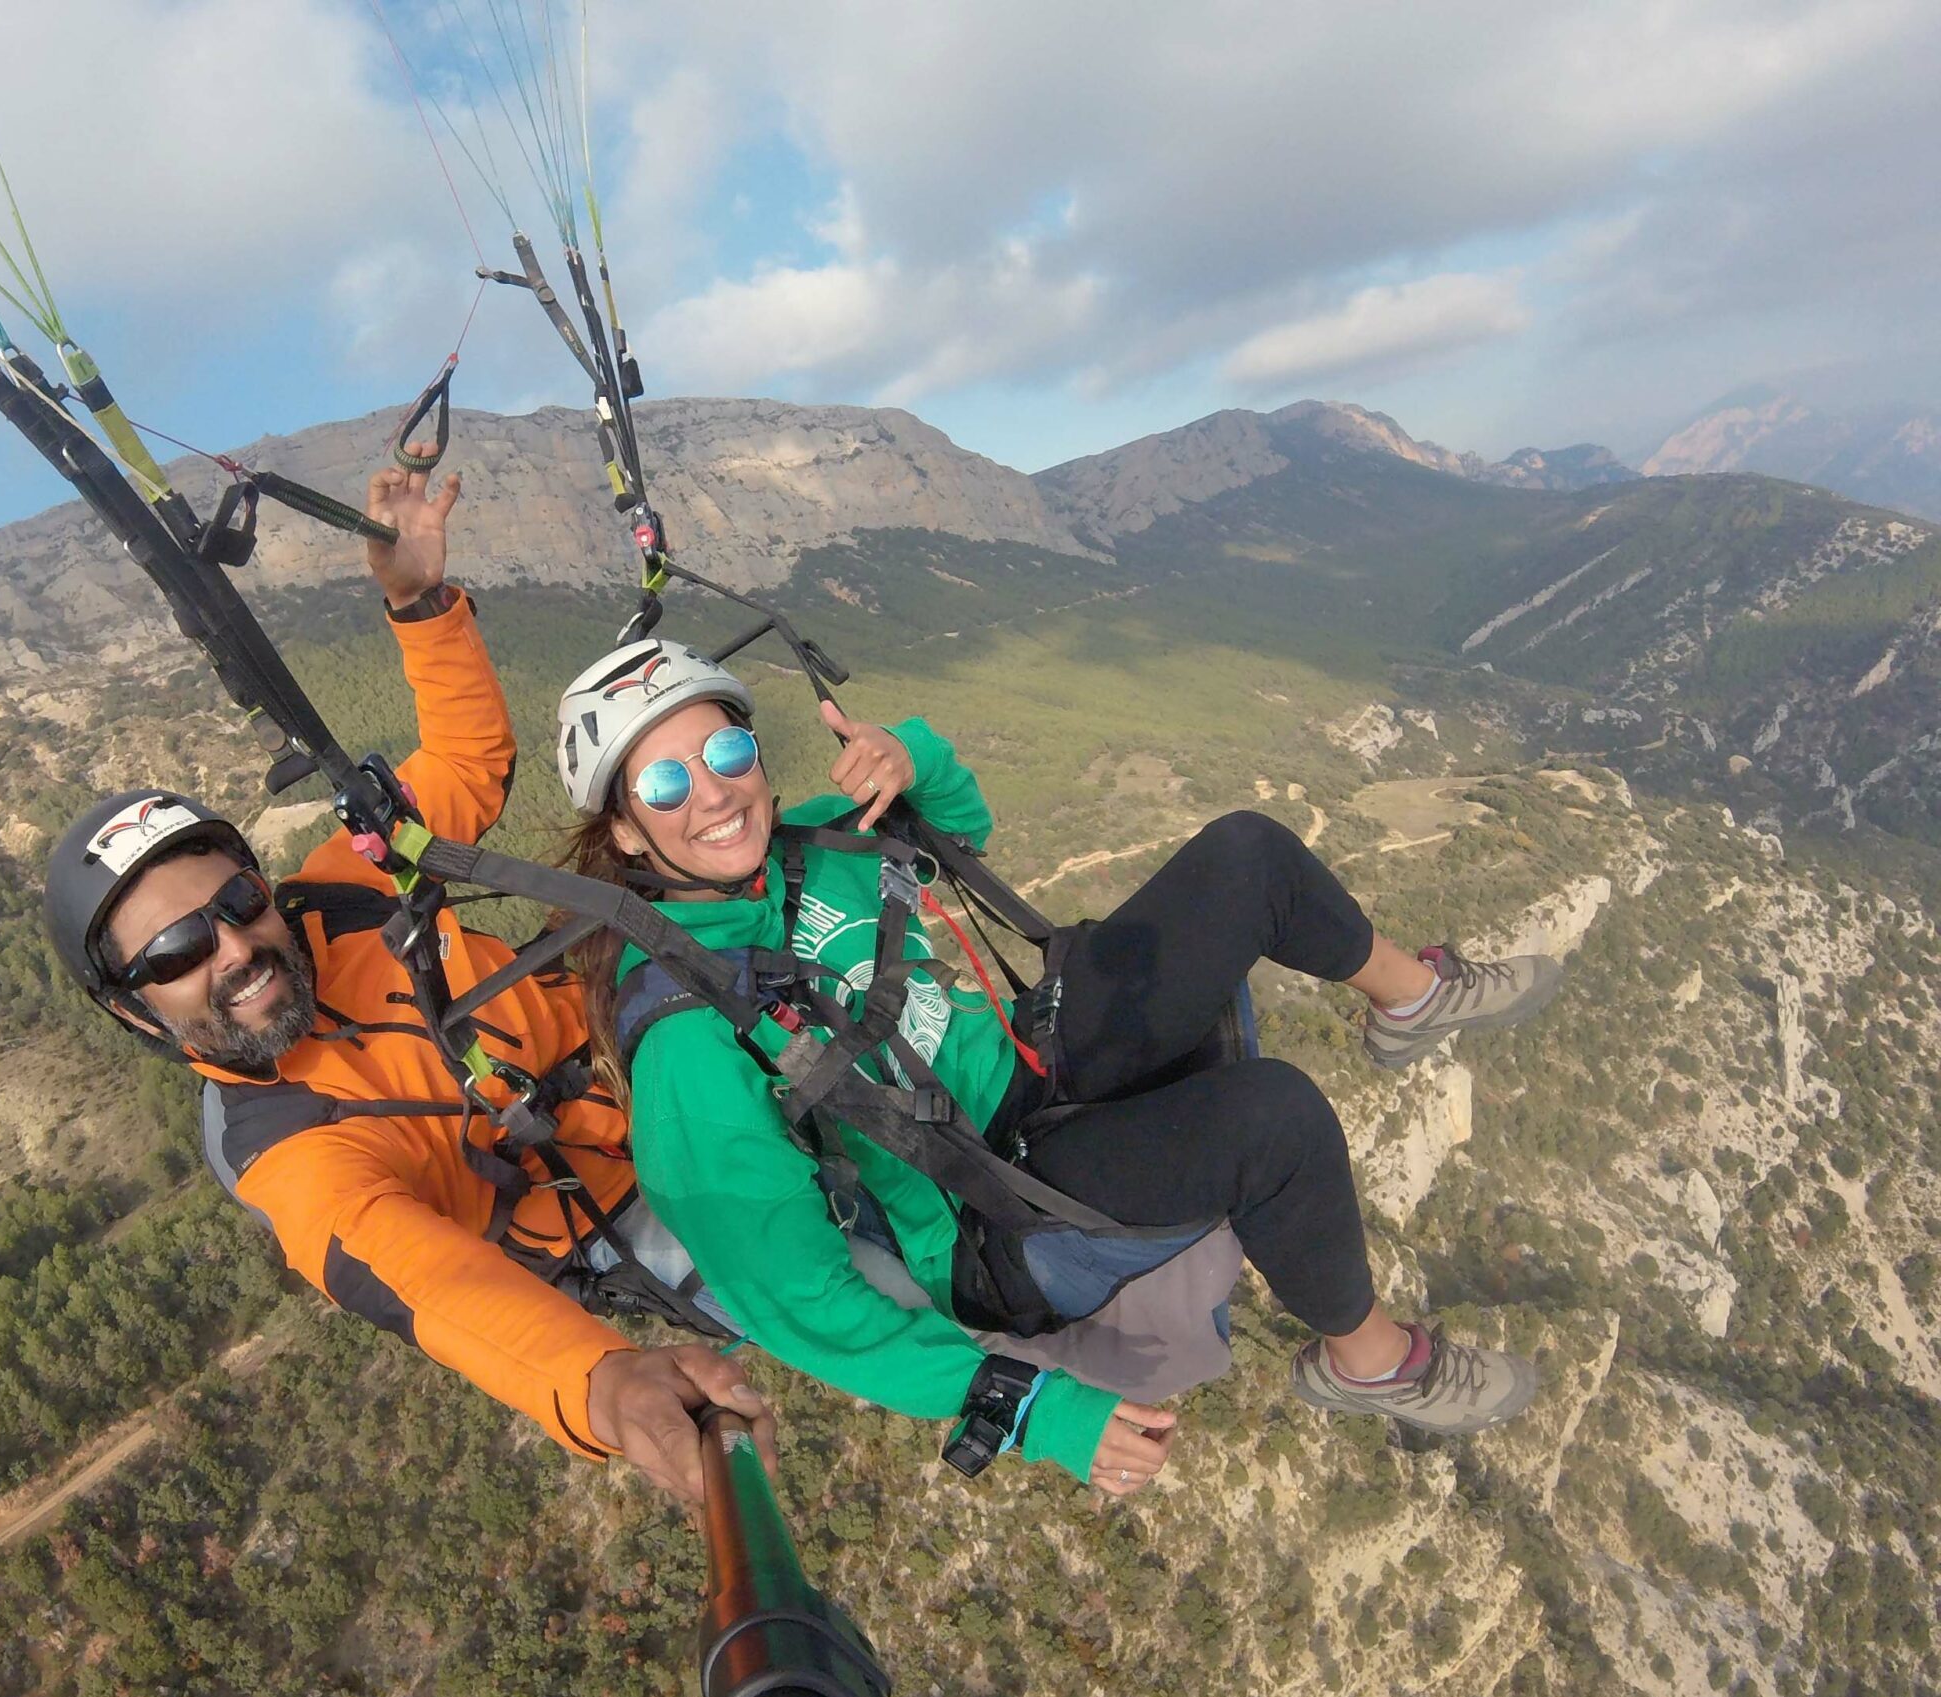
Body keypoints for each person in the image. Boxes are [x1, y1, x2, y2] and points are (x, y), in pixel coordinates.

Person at [553, 636, 1564, 1498]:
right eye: (664, 781)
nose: (715, 792)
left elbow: (962, 830)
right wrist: (1033, 1410)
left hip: (1035, 1074)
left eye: (726, 748)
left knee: (1245, 857)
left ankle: (1412, 999)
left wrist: (910, 758)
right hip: (992, 1206)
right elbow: (801, 1306)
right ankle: (1371, 1360)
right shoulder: (688, 1039)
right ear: (625, 830)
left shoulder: (811, 846)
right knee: (1275, 1118)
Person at [42, 457, 771, 1504]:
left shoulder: (333, 895)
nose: (235, 950)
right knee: (884, 1286)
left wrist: (418, 602)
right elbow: (429, 1280)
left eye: (236, 906)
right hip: (628, 1201)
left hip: (657, 1034)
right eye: (173, 956)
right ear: (130, 1007)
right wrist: (601, 1387)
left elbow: (466, 766)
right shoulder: (284, 1153)